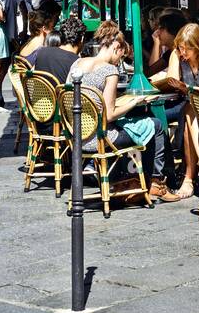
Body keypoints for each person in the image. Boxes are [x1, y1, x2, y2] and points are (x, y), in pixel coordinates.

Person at [67, 25, 180, 203]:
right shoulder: (109, 71)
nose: (118, 62)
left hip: (77, 135)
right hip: (101, 138)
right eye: (120, 56)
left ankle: (126, 181)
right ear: (116, 47)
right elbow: (110, 115)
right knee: (156, 125)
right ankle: (156, 183)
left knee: (134, 123)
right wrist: (135, 102)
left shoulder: (77, 64)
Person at [154, 22, 199, 201]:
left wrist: (191, 92)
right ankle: (198, 164)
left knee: (189, 109)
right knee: (187, 110)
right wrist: (176, 61)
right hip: (184, 102)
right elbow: (172, 81)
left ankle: (189, 177)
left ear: (197, 47)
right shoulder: (178, 55)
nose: (183, 52)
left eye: (187, 49)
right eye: (180, 48)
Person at [32, 15, 86, 82]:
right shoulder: (77, 63)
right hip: (62, 92)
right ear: (82, 39)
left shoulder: (41, 52)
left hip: (38, 92)